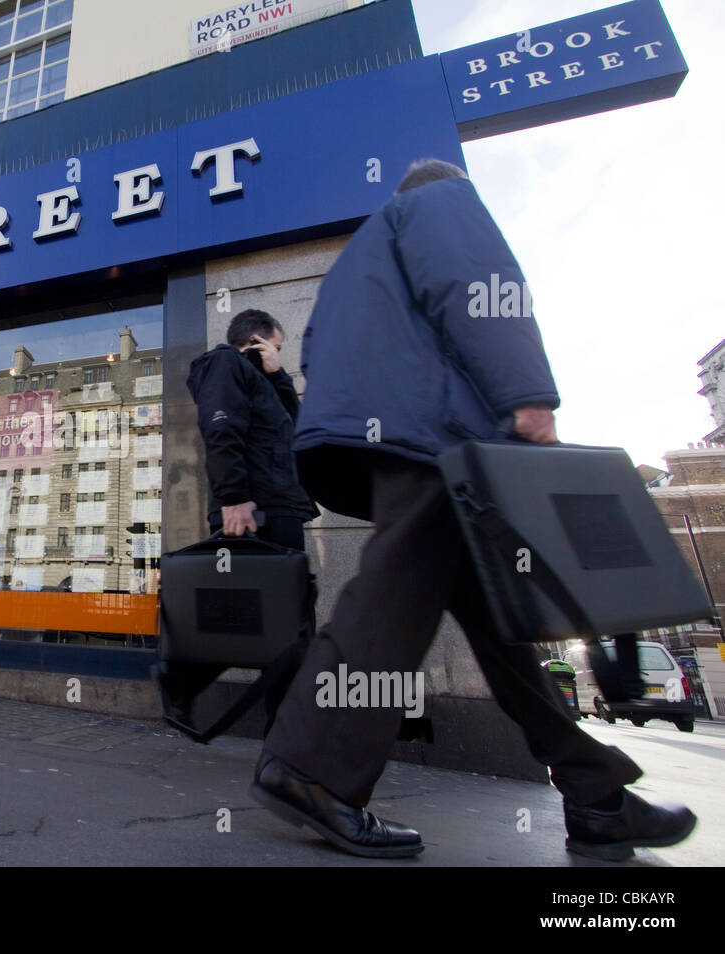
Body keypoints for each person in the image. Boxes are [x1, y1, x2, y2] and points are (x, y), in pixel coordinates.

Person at [250, 158, 696, 860]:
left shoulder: (359, 257)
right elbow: (481, 286)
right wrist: (528, 394)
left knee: (502, 623)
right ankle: (312, 769)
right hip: (431, 438)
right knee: (393, 598)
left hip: (380, 436)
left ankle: (595, 793)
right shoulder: (440, 203)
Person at [154, 309, 318, 734]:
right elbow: (220, 427)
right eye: (276, 348)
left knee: (253, 619)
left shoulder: (263, 382)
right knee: (287, 624)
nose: (278, 356)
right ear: (257, 342)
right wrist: (234, 499)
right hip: (256, 509)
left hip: (278, 507)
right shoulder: (225, 364)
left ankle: (184, 683)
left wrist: (279, 376)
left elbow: (294, 434)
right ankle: (286, 734)